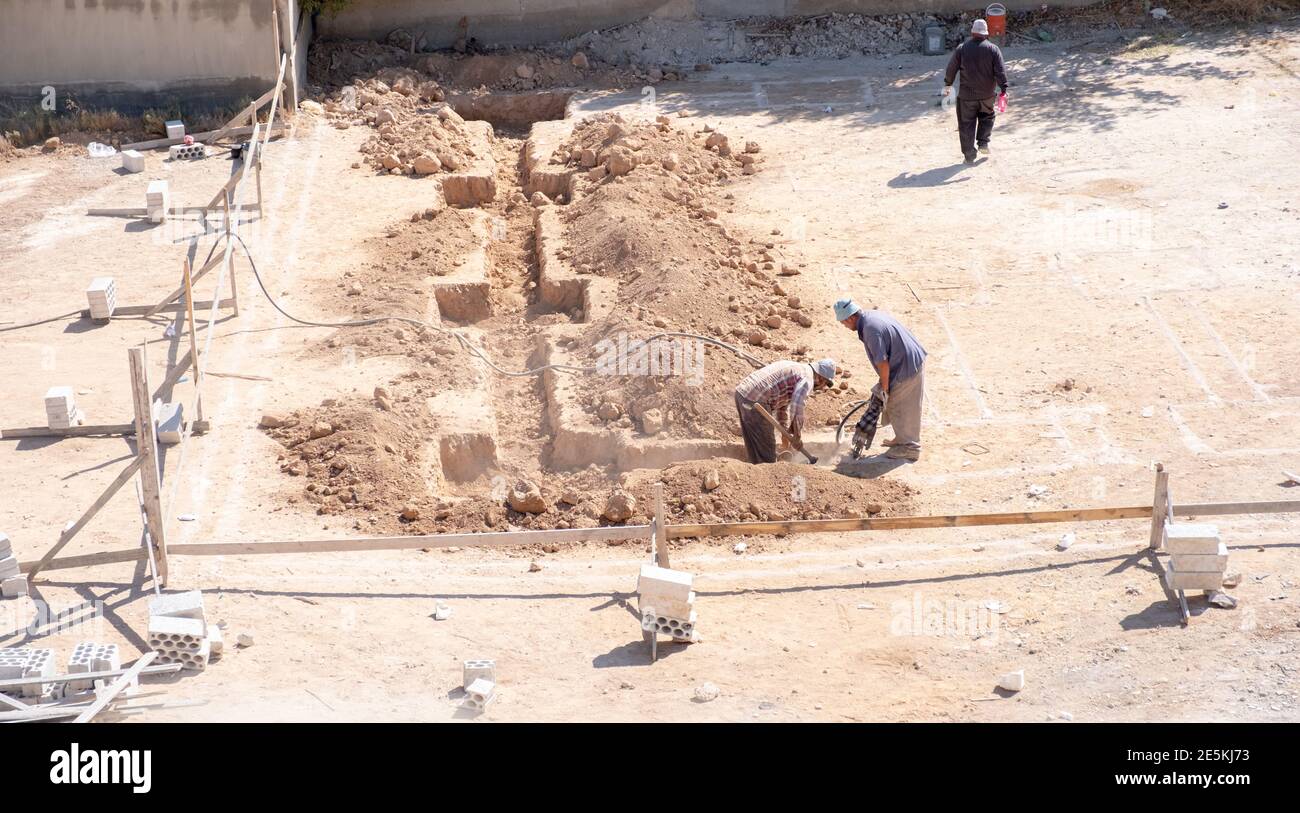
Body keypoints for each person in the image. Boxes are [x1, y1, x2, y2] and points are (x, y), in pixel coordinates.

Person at [833, 299, 927, 461]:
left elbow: (882, 362)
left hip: (906, 366)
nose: (845, 327)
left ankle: (910, 448)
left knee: (897, 403)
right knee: (892, 402)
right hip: (906, 358)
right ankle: (901, 438)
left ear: (849, 318)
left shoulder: (870, 329)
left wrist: (885, 388)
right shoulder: (870, 316)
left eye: (843, 323)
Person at [734, 358, 836, 464]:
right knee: (767, 451)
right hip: (757, 399)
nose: (823, 387)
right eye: (826, 384)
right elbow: (797, 406)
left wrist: (785, 433)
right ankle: (770, 476)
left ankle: (756, 473)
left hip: (742, 394)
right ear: (822, 379)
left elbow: (783, 407)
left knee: (755, 444)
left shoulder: (797, 369)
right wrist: (797, 436)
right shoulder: (807, 378)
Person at [943, 19, 1009, 164]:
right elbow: (1000, 71)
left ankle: (969, 156)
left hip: (966, 97)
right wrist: (1004, 89)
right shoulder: (993, 49)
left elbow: (951, 68)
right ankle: (983, 143)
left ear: (972, 32)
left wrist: (948, 84)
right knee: (987, 117)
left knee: (966, 124)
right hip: (987, 95)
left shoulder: (962, 49)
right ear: (986, 34)